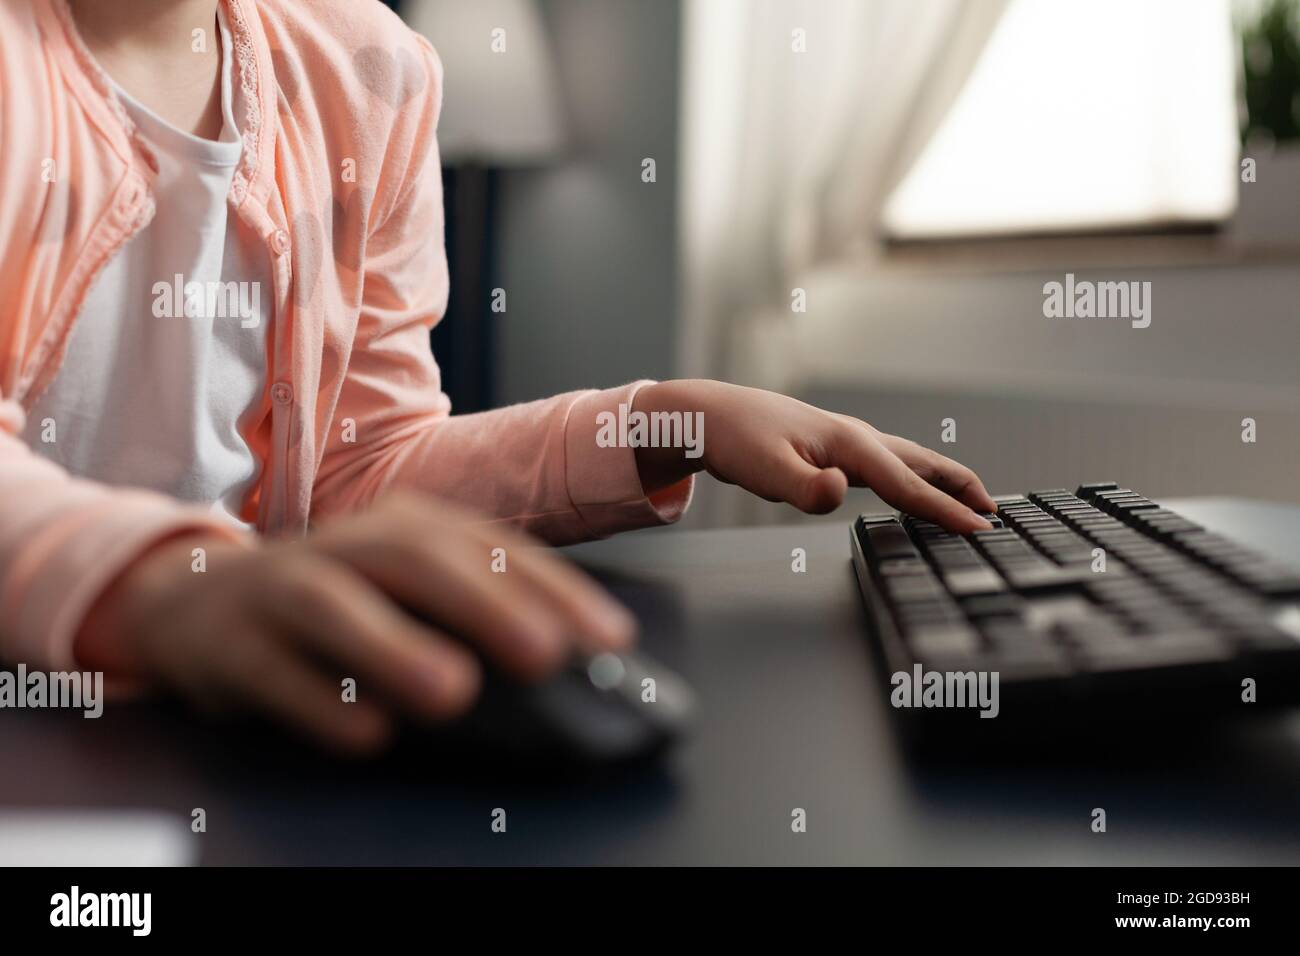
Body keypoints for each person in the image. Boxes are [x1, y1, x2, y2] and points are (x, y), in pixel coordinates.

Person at [0, 0, 997, 752]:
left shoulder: (366, 70)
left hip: (248, 720)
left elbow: (365, 465)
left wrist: (651, 422)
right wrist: (165, 587)